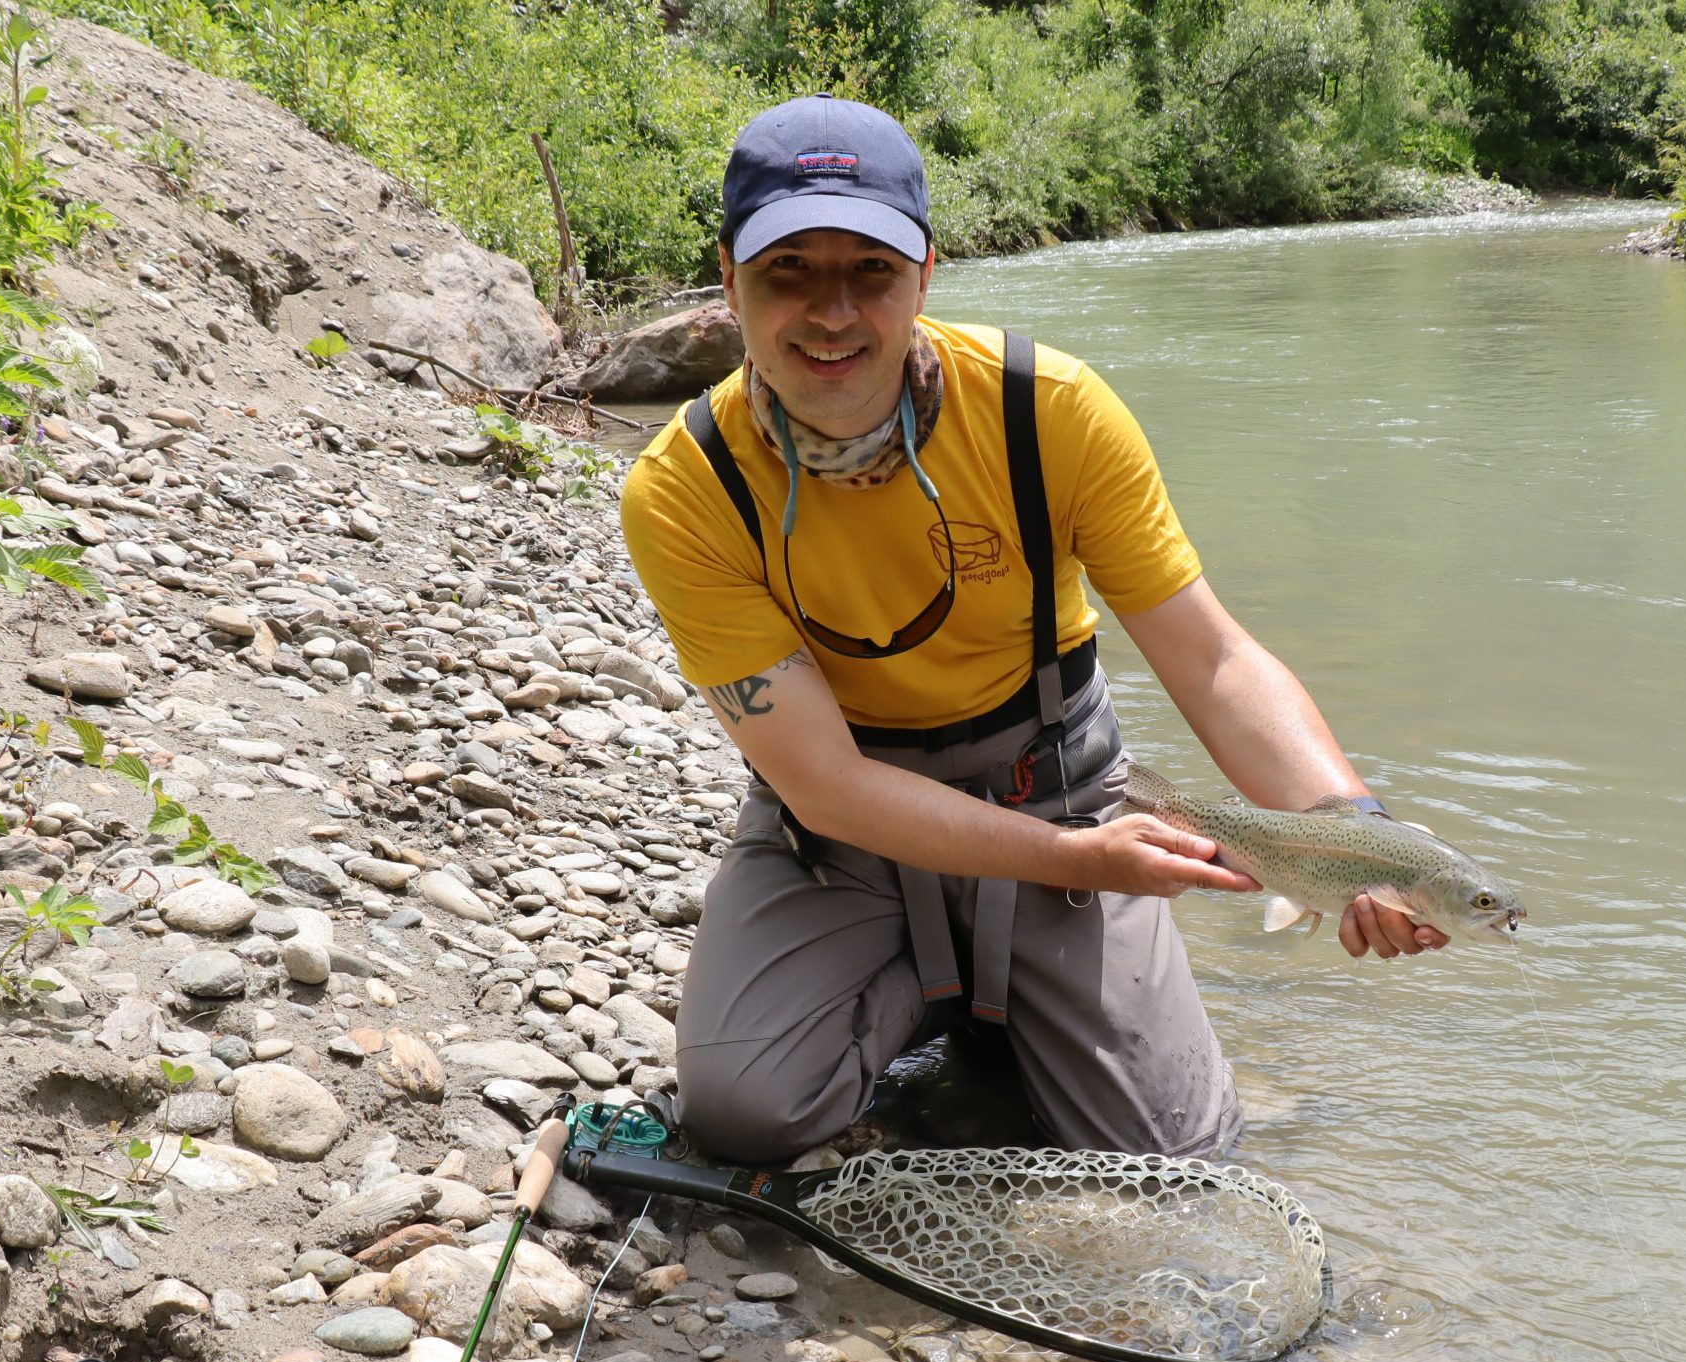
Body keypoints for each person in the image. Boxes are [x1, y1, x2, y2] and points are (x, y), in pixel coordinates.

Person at [619, 93, 1446, 1166]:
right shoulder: (686, 488)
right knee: (745, 1112)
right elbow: (823, 784)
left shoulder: (1048, 411)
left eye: (871, 270)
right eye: (789, 271)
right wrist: (1080, 862)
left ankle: (1001, 989)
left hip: (1057, 784)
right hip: (844, 836)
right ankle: (962, 986)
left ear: (925, 275)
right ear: (729, 282)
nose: (833, 313)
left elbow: (1213, 658)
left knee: (1173, 1161)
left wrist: (1357, 833)